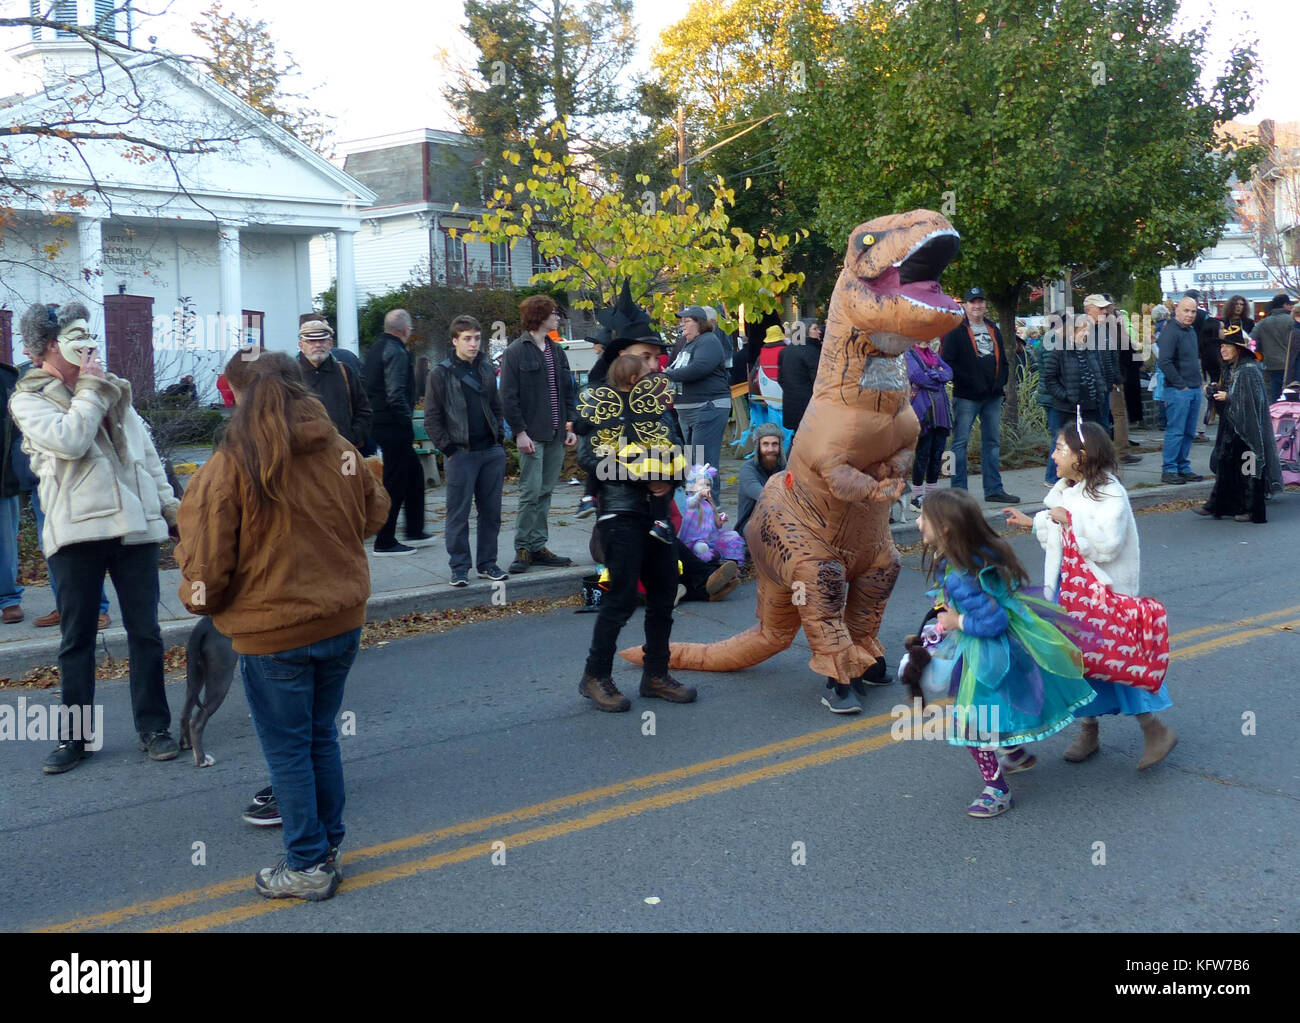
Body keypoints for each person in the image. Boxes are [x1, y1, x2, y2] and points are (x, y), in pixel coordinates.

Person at [176, 350, 390, 900]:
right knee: (320, 737)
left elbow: (206, 563)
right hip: (340, 618)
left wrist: (199, 594)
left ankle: (308, 863)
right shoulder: (338, 447)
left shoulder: (229, 464)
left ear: (237, 393)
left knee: (289, 750)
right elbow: (372, 513)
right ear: (299, 386)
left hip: (273, 631)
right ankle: (325, 848)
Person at [10, 301, 180, 774]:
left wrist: (169, 508)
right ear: (48, 347)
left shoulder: (112, 390)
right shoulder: (28, 397)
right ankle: (74, 739)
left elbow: (146, 454)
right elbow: (70, 440)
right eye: (74, 337)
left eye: (90, 336)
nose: (88, 346)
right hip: (75, 533)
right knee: (77, 639)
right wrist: (90, 388)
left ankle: (154, 727)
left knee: (145, 633)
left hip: (135, 529)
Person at [912, 488, 1094, 817]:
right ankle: (1017, 754)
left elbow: (992, 621)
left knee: (972, 724)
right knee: (997, 706)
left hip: (990, 652)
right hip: (996, 647)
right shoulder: (966, 558)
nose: (916, 522)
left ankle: (997, 790)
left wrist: (956, 621)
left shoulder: (965, 576)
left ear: (946, 529)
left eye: (924, 518)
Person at [1007, 420, 1177, 769]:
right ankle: (1089, 729)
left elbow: (1106, 545)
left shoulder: (1110, 492)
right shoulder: (1066, 490)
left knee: (1114, 660)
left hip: (1102, 596)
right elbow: (1056, 530)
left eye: (1060, 449)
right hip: (1069, 594)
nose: (1053, 455)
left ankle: (1154, 728)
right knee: (1077, 665)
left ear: (1082, 457)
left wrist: (1067, 521)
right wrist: (1034, 522)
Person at [576, 288, 695, 713]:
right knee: (622, 595)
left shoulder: (656, 398)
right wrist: (645, 476)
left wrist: (671, 477)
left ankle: (656, 673)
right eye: (646, 356)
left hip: (656, 514)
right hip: (620, 509)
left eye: (655, 357)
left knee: (665, 591)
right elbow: (589, 456)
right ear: (622, 356)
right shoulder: (599, 397)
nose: (654, 364)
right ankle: (595, 676)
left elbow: (680, 447)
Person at [425, 315, 509, 586]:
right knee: (458, 514)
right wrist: (448, 448)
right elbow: (432, 417)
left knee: (491, 513)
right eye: (467, 339)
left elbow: (496, 404)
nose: (473, 344)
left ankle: (488, 564)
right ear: (454, 340)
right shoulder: (440, 373)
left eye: (476, 338)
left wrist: (498, 438)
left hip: (490, 451)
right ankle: (459, 567)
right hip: (461, 453)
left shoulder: (485, 368)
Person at [498, 294, 577, 574]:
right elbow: (508, 396)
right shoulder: (516, 351)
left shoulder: (557, 351)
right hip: (531, 434)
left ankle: (537, 545)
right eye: (553, 313)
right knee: (529, 492)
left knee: (545, 492)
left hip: (556, 432)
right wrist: (519, 432)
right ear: (540, 316)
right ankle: (522, 547)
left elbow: (569, 390)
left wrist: (570, 425)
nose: (557, 317)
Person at [363, 308, 435, 554]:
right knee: (395, 482)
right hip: (392, 424)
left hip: (381, 421)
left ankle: (414, 530)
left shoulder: (376, 348)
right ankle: (385, 540)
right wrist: (406, 421)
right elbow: (395, 393)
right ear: (406, 330)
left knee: (413, 474)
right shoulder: (396, 351)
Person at [940, 286, 1020, 504]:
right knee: (959, 444)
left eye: (981, 302)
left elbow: (1003, 360)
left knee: (992, 443)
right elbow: (948, 363)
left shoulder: (993, 328)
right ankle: (958, 491)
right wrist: (969, 382)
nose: (977, 306)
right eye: (973, 302)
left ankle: (994, 489)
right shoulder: (955, 330)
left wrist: (1000, 382)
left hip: (992, 396)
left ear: (985, 305)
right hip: (966, 396)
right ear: (965, 306)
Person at [1195, 325, 1282, 523]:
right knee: (1226, 466)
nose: (1223, 349)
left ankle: (1251, 508)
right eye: (1222, 346)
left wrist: (1229, 396)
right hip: (1233, 429)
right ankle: (1217, 504)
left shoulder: (1248, 371)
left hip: (1248, 433)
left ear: (1239, 350)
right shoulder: (1231, 369)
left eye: (1228, 346)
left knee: (1249, 468)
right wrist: (1215, 392)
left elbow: (1251, 402)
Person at [665, 303, 732, 501]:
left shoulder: (708, 340)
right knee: (695, 459)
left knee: (704, 460)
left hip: (707, 407)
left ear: (700, 324)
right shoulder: (687, 343)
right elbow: (674, 366)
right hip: (688, 410)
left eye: (687, 321)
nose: (682, 325)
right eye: (681, 321)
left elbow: (700, 368)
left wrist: (670, 375)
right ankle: (698, 503)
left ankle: (711, 505)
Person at [296, 314, 372, 449]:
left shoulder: (345, 372)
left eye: (322, 340)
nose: (318, 345)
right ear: (301, 345)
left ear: (330, 343)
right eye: (311, 341)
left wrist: (353, 437)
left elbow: (364, 410)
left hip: (345, 451)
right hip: (305, 456)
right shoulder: (291, 376)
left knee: (350, 471)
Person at [1157, 295, 1206, 485]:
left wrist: (1197, 382)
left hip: (1193, 388)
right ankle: (1169, 469)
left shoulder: (1191, 331)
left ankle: (1182, 467)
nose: (1190, 315)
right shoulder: (1171, 331)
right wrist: (1180, 384)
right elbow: (1164, 362)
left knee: (1188, 432)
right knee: (1176, 431)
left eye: (1193, 311)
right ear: (1177, 310)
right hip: (1179, 390)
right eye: (1186, 310)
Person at [1, 354, 34, 624]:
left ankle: (8, 599)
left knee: (4, 544)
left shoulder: (7, 378)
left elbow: (18, 432)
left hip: (3, 478)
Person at [904, 337, 953, 509]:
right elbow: (917, 377)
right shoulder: (909, 354)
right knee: (923, 453)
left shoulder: (932, 354)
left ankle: (931, 496)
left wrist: (933, 373)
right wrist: (938, 376)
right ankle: (916, 498)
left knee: (937, 453)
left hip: (940, 412)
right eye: (920, 336)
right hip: (923, 411)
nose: (924, 340)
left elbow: (949, 372)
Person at [678, 464, 745, 564]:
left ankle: (731, 565)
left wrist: (720, 521)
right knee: (701, 548)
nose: (706, 487)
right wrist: (699, 495)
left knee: (733, 535)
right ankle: (708, 568)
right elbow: (692, 503)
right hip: (693, 541)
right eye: (701, 484)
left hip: (710, 539)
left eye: (708, 485)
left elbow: (714, 526)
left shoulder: (709, 504)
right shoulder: (689, 501)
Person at [736, 422, 785, 535]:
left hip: (783, 521)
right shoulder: (748, 469)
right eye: (765, 444)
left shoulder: (785, 468)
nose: (770, 449)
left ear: (780, 446)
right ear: (758, 446)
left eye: (775, 444)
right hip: (751, 525)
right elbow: (763, 495)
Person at [778, 319, 822, 432]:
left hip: (790, 404)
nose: (819, 331)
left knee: (797, 440)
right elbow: (819, 381)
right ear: (805, 332)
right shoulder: (812, 352)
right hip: (810, 406)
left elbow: (780, 379)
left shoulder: (786, 351)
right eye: (815, 328)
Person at [1252, 292, 1294, 402]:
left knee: (1275, 398)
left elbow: (1251, 339)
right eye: (1289, 304)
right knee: (1292, 398)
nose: (1291, 306)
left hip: (1271, 365)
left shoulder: (1263, 323)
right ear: (1284, 305)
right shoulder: (1292, 321)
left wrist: (1260, 354)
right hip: (1291, 366)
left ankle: (1275, 418)